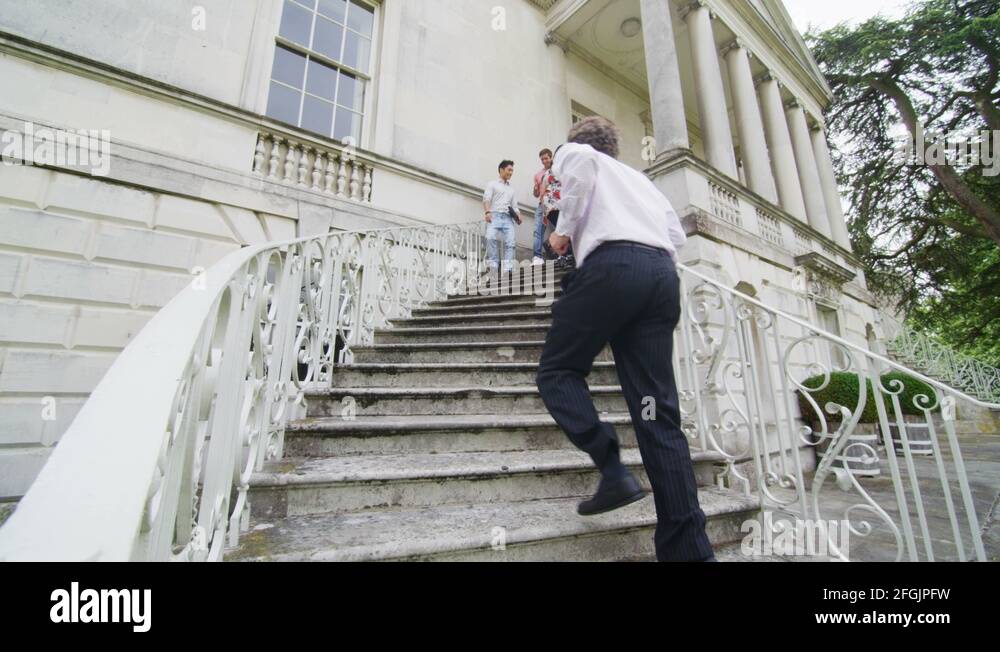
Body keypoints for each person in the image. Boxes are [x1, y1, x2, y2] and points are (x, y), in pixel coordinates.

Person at [535, 116, 717, 562]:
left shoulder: (574, 152)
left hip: (613, 269)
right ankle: (690, 551)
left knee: (558, 370)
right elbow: (675, 234)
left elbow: (574, 182)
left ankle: (612, 465)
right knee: (657, 416)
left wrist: (562, 232)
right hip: (659, 277)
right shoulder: (639, 180)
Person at [483, 160, 521, 275]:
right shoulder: (492, 184)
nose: (511, 173)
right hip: (494, 215)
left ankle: (507, 268)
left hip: (508, 218)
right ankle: (494, 264)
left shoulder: (511, 189)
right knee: (490, 237)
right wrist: (487, 212)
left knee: (511, 243)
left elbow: (515, 206)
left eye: (512, 171)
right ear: (501, 170)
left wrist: (518, 216)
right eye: (509, 170)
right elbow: (486, 199)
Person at [532, 150, 554, 266]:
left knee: (561, 229)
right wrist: (536, 189)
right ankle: (537, 257)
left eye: (546, 158)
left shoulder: (558, 170)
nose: (544, 161)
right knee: (537, 231)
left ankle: (565, 255)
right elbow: (535, 194)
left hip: (557, 205)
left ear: (551, 158)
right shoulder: (538, 175)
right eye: (542, 159)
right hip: (542, 205)